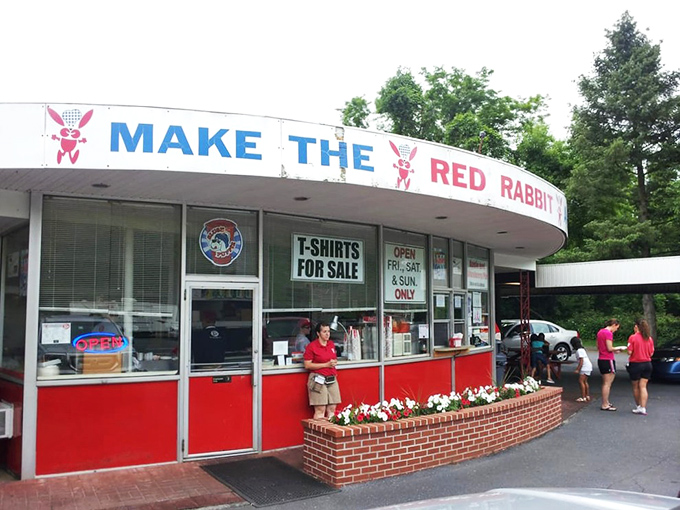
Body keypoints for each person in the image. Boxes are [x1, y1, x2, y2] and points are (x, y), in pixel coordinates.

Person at [303, 321, 341, 420]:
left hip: (331, 378)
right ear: (318, 333)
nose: (327, 334)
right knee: (320, 409)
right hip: (318, 378)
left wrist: (333, 363)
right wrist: (325, 365)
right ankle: (319, 434)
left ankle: (331, 431)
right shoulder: (312, 346)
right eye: (324, 332)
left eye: (328, 331)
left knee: (332, 408)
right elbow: (307, 365)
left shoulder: (331, 344)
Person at [626, 318, 655, 415]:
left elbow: (629, 352)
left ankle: (638, 406)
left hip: (636, 363)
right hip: (647, 364)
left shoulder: (632, 337)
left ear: (637, 327)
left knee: (635, 386)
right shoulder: (649, 338)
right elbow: (651, 353)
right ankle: (643, 407)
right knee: (643, 386)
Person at [597, 318, 624, 411]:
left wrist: (614, 350)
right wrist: (618, 348)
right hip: (607, 359)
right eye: (617, 327)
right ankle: (605, 404)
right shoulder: (608, 333)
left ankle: (606, 402)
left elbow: (600, 346)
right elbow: (609, 348)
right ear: (614, 325)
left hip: (601, 358)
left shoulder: (600, 332)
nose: (616, 330)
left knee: (605, 382)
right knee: (607, 383)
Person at [570, 336, 592, 402]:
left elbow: (581, 361)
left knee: (581, 381)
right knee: (585, 381)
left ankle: (583, 397)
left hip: (585, 367)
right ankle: (587, 396)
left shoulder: (579, 351)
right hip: (588, 366)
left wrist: (577, 369)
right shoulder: (582, 349)